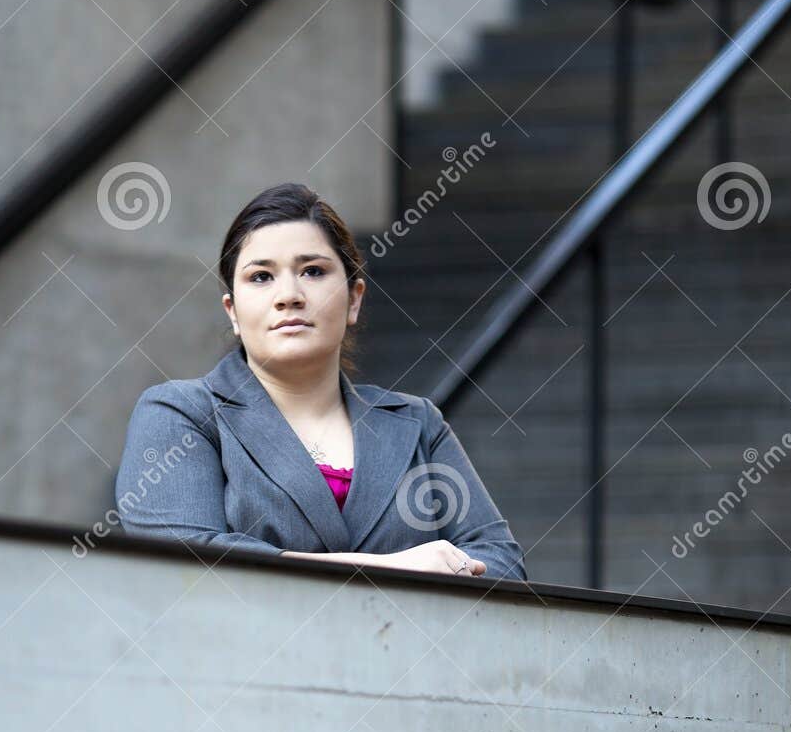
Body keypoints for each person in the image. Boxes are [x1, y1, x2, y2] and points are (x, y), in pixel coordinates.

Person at [114, 182, 526, 582]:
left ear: (354, 299)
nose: (289, 295)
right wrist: (397, 572)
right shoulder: (182, 414)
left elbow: (500, 561)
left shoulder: (417, 422)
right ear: (233, 311)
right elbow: (186, 561)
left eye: (312, 271)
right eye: (261, 277)